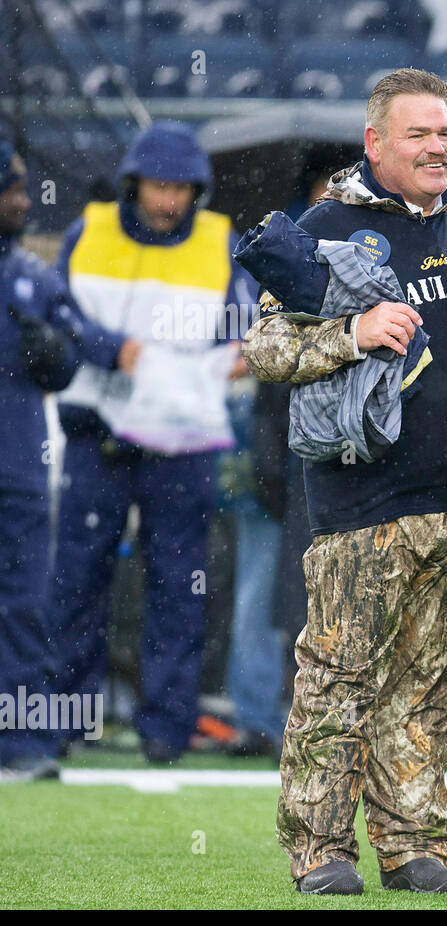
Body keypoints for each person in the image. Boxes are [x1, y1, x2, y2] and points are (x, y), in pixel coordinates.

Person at [242, 69, 447, 895]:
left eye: (446, 132)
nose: (438, 147)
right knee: (339, 682)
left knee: (430, 687)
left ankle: (414, 844)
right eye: (419, 134)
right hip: (364, 502)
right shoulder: (324, 225)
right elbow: (267, 352)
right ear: (376, 143)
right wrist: (353, 332)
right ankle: (321, 852)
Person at [52, 121, 256, 765]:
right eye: (158, 186)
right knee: (79, 579)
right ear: (133, 184)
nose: (169, 200)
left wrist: (239, 357)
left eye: (180, 188)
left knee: (178, 586)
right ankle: (66, 723)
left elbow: (248, 328)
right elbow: (57, 314)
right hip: (98, 431)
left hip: (184, 440)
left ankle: (165, 731)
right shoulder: (89, 232)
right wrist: (116, 351)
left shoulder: (220, 243)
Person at [0, 141, 127, 780]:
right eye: (12, 191)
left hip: (19, 464)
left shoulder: (33, 275)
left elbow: (78, 344)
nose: (23, 203)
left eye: (24, 190)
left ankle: (21, 744)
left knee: (23, 602)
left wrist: (59, 353)